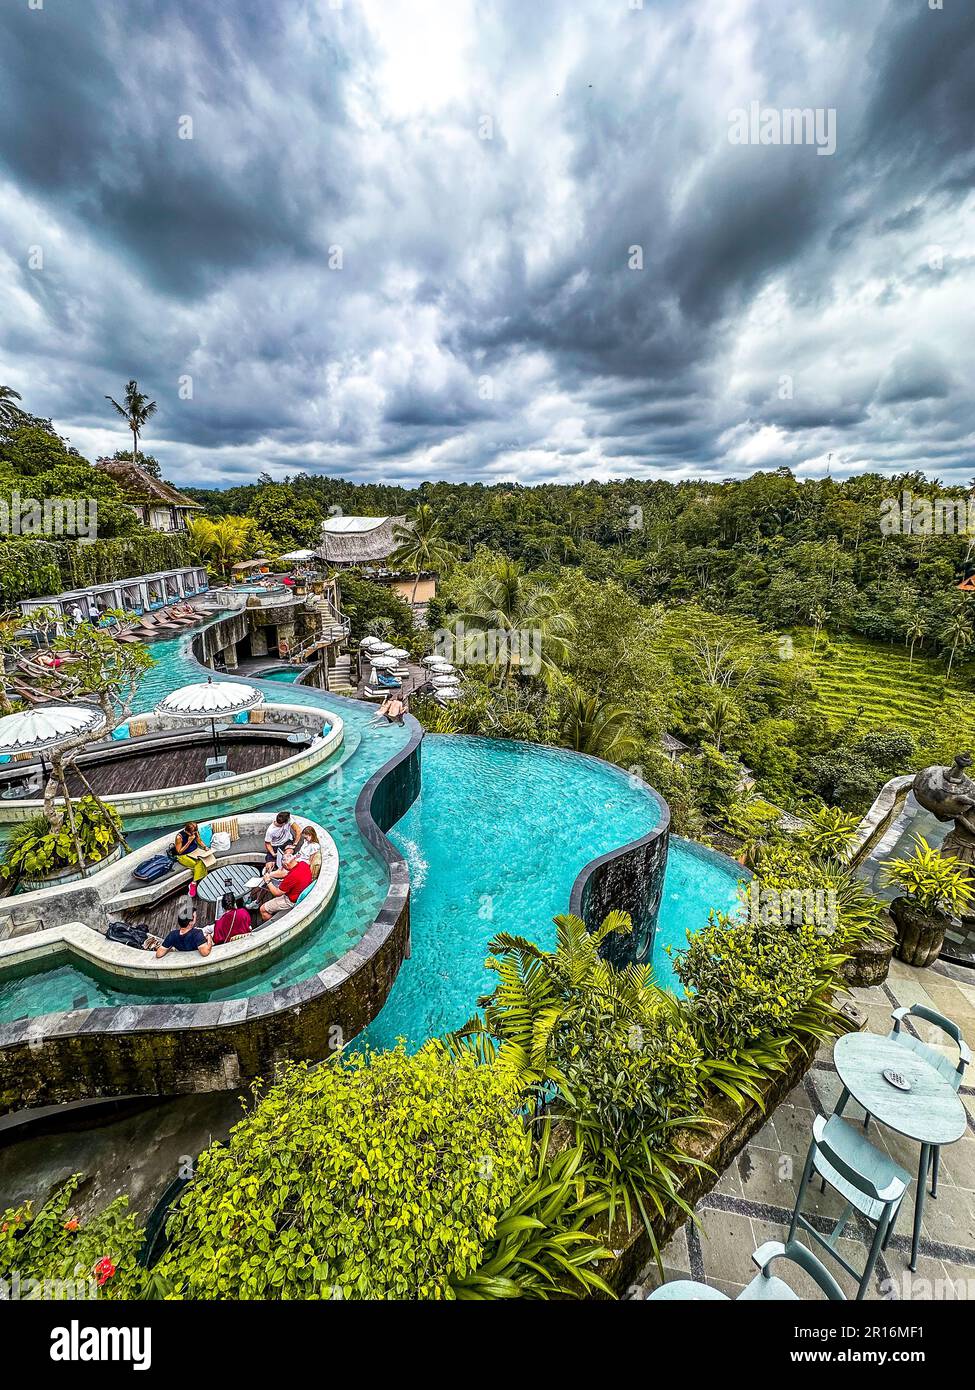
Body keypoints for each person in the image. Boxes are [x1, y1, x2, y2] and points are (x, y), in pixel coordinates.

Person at [259, 858, 313, 922]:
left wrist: (268, 881)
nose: (281, 868)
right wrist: (270, 875)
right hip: (301, 891)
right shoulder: (303, 864)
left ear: (286, 865)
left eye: (283, 867)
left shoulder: (292, 877)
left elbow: (277, 893)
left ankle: (274, 925)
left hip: (291, 900)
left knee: (263, 909)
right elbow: (285, 874)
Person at [173, 821, 209, 894]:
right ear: (187, 831)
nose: (194, 834)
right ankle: (194, 883)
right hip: (183, 856)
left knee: (205, 860)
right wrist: (189, 841)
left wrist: (204, 847)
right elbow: (179, 851)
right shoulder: (179, 837)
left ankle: (201, 881)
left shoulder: (194, 831)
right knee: (199, 864)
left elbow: (199, 840)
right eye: (191, 833)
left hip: (195, 852)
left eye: (195, 832)